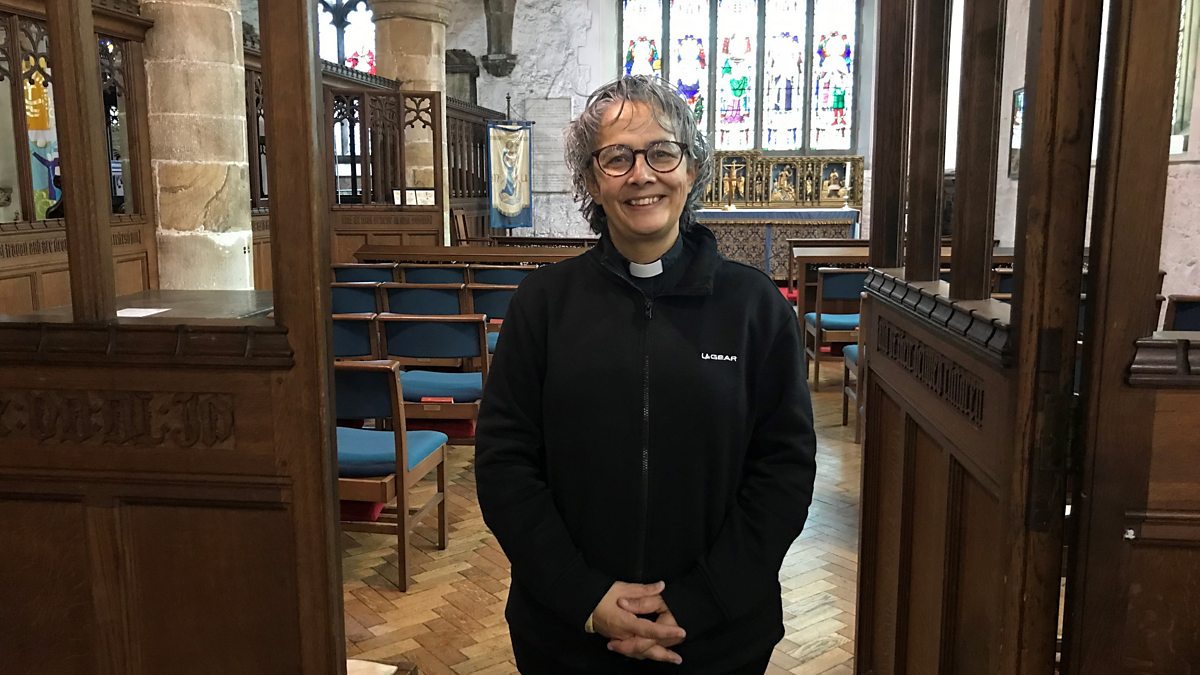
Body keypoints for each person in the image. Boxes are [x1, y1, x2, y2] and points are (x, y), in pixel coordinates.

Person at [475, 75, 817, 674]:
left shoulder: (755, 308)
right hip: (567, 634)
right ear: (591, 179)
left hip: (718, 636)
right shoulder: (543, 305)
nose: (642, 174)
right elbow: (505, 462)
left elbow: (783, 471)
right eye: (617, 157)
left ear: (691, 168)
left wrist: (698, 601)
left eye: (662, 151)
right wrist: (583, 596)